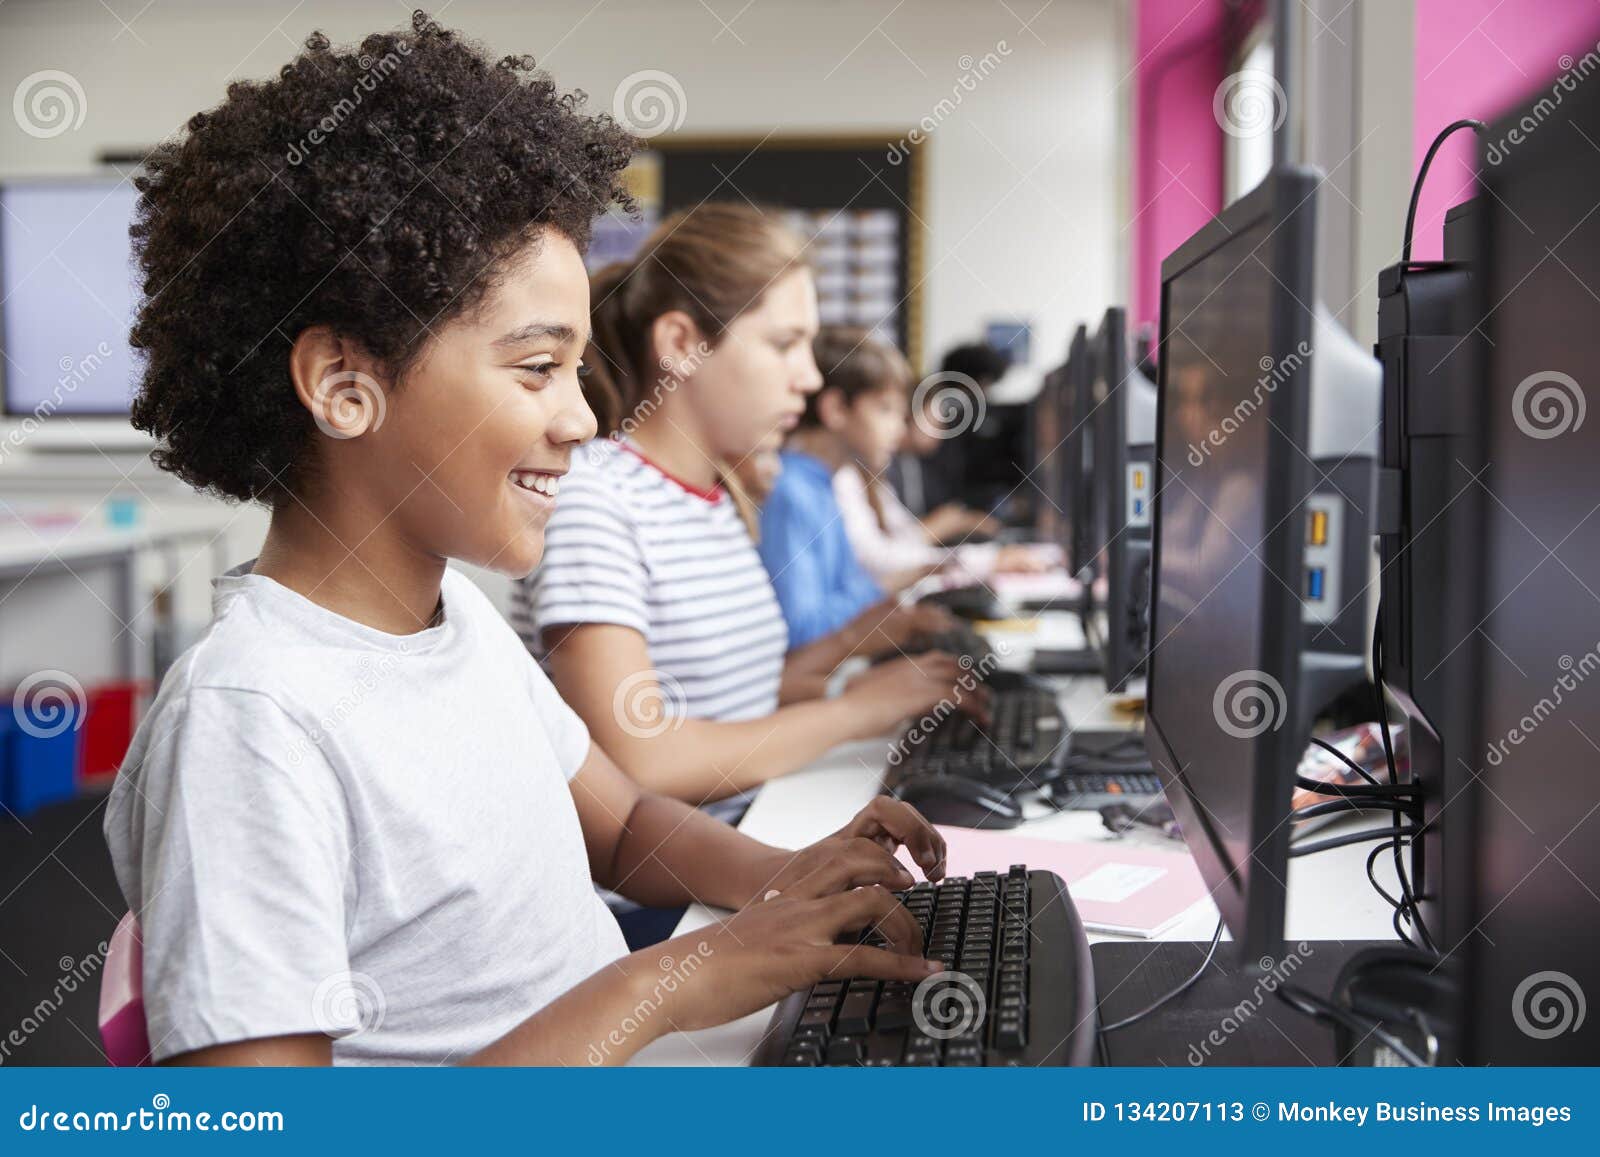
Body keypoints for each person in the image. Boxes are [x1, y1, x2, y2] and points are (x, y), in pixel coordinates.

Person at [103, 14, 947, 1068]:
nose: (584, 419)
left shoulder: (453, 621)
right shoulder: (250, 719)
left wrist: (786, 872)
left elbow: (628, 824)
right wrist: (666, 980)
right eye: (536, 367)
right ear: (342, 385)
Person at [517, 204, 984, 819]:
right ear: (682, 344)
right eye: (785, 345)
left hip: (742, 831)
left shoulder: (711, 497)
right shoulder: (597, 497)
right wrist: (853, 712)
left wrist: (865, 683)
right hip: (656, 904)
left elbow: (732, 701)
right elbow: (640, 757)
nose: (810, 378)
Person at [826, 335, 1051, 588]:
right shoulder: (839, 478)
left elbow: (897, 541)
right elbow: (879, 560)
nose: (900, 430)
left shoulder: (865, 474)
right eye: (885, 410)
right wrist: (979, 557)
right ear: (836, 409)